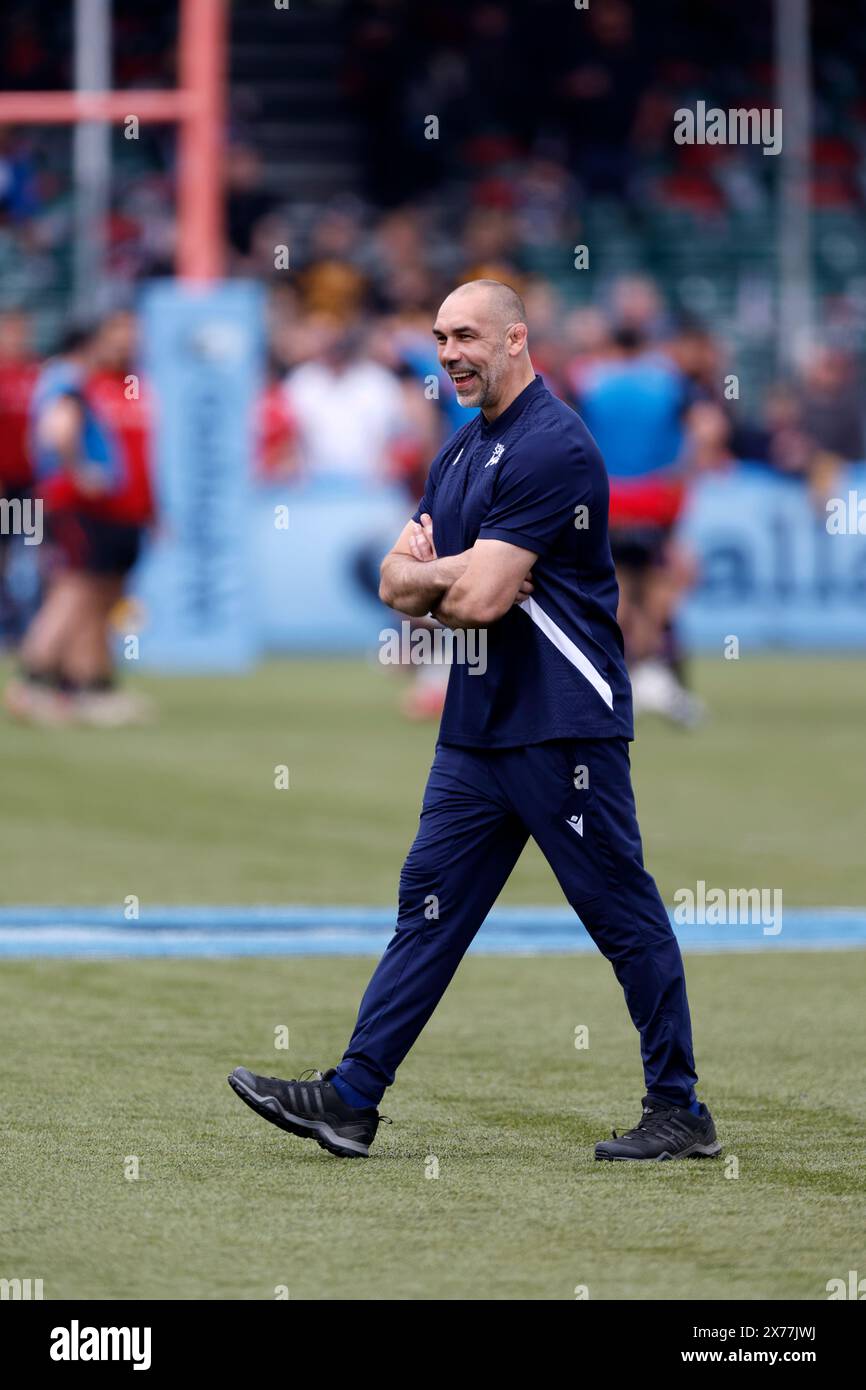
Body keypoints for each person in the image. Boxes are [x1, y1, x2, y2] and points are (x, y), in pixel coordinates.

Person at [229, 280, 720, 1163]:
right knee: (427, 912)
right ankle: (350, 1101)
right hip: (478, 723)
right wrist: (447, 579)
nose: (449, 352)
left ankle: (679, 1108)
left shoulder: (552, 447)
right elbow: (393, 586)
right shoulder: (460, 452)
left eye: (466, 336)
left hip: (562, 725)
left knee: (619, 912)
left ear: (517, 339)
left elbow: (481, 598)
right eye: (439, 336)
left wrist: (443, 579)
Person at [4, 311, 153, 726]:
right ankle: (33, 682)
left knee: (93, 595)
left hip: (83, 506)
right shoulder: (72, 379)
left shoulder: (107, 384)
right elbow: (57, 432)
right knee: (71, 589)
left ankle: (87, 686)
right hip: (64, 504)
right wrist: (77, 471)